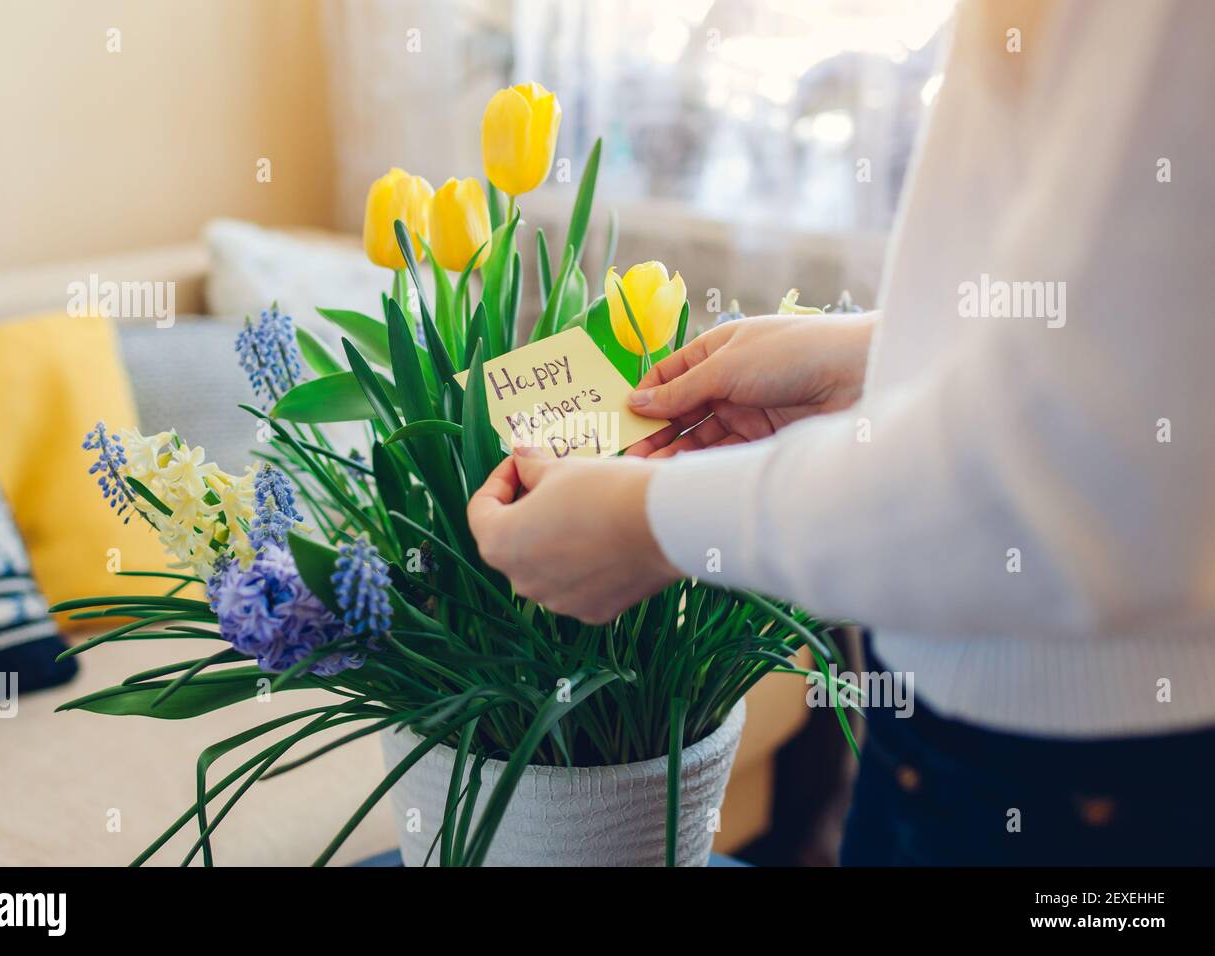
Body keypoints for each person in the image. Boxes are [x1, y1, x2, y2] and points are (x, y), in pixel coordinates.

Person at [466, 0, 1215, 864]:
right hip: (1038, 757)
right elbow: (1133, 336)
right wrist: (874, 356)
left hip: (1088, 794)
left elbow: (1073, 468)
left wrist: (649, 524)